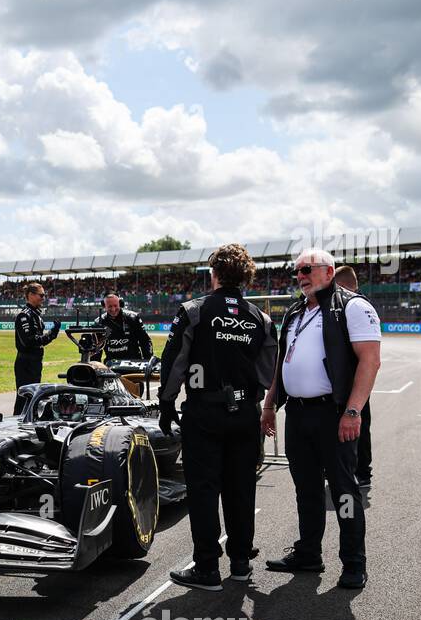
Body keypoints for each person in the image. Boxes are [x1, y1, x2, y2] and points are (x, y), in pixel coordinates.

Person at [158, 243, 278, 591]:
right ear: (245, 277)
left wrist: (167, 404)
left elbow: (174, 361)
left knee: (204, 490)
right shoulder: (261, 318)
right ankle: (241, 563)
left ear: (214, 274)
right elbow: (268, 370)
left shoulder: (193, 310)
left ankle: (207, 568)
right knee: (241, 489)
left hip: (204, 413)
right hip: (244, 414)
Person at [261, 248, 382, 589]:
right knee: (306, 489)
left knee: (344, 491)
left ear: (328, 272)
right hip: (298, 414)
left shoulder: (353, 306)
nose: (300, 276)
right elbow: (281, 362)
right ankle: (309, 554)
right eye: (296, 270)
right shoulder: (296, 311)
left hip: (335, 414)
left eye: (307, 269)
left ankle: (354, 562)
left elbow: (369, 362)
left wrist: (353, 410)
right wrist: (270, 404)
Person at [334, 265, 372, 491]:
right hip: (344, 379)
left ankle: (362, 472)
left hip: (355, 380)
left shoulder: (358, 305)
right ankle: (347, 469)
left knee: (360, 426)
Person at [13, 282, 60, 414]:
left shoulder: (36, 315)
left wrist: (53, 334)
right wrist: (51, 334)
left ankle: (28, 425)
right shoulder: (24, 315)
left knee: (33, 397)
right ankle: (16, 426)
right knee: (24, 397)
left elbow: (39, 342)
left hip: (35, 362)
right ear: (31, 295)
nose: (43, 298)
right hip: (26, 363)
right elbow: (30, 341)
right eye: (41, 295)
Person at [97, 293, 154, 364]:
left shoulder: (133, 318)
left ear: (120, 304)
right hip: (111, 365)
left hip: (134, 364)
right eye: (110, 306)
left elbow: (145, 341)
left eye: (115, 305)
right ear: (104, 306)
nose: (113, 309)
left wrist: (148, 361)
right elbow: (97, 348)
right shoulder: (99, 322)